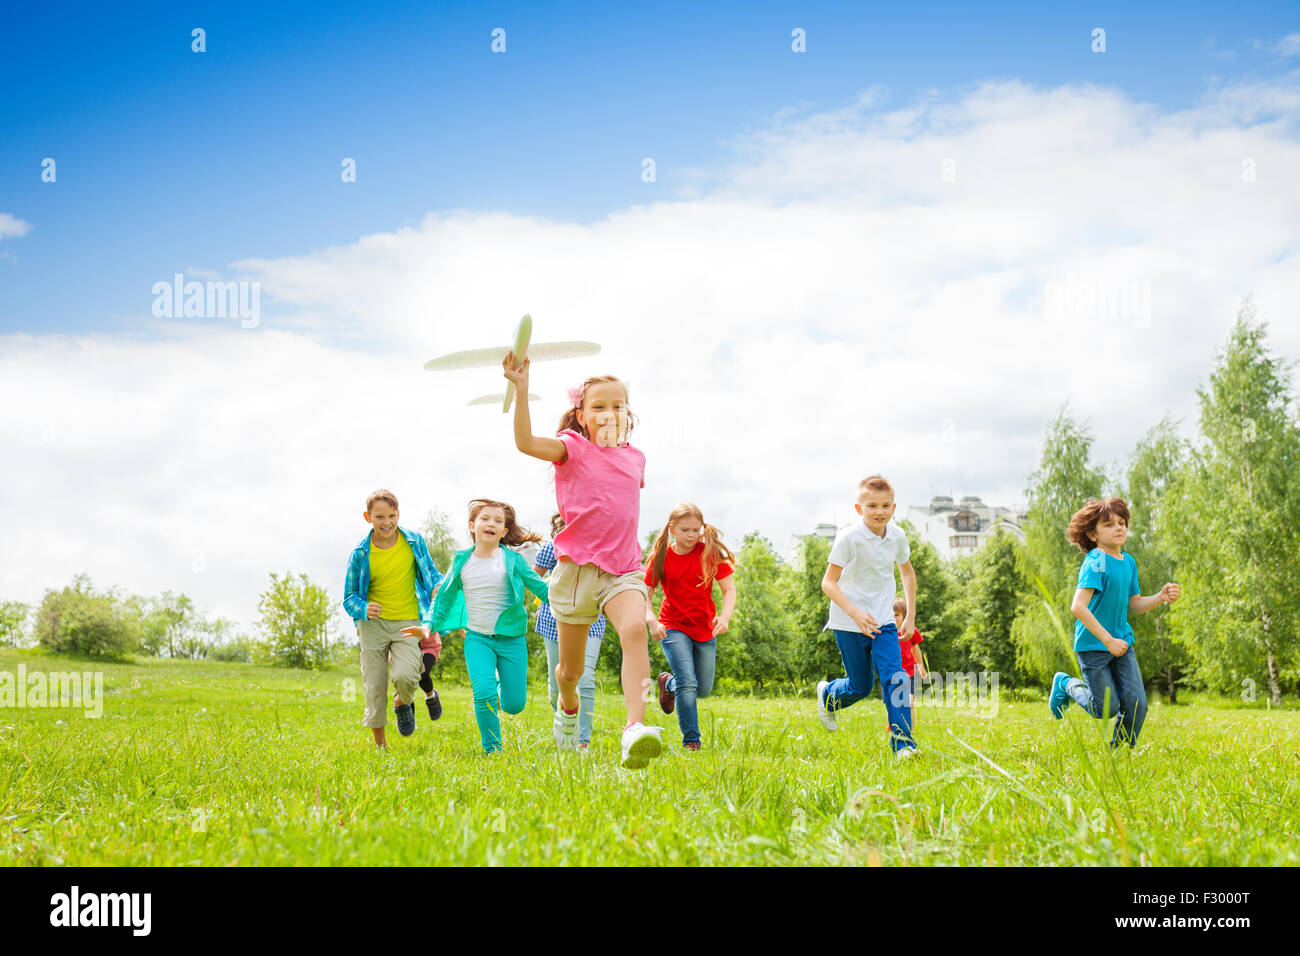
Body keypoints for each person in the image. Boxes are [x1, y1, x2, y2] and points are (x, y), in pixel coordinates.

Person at [503, 355, 663, 769]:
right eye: (598, 406)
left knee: (633, 631)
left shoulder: (636, 458)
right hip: (575, 573)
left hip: (622, 569)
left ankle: (634, 730)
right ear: (581, 415)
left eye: (618, 405)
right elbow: (524, 443)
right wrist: (521, 388)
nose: (610, 413)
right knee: (569, 673)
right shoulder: (570, 448)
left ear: (629, 412)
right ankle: (568, 709)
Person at [404, 499, 547, 754]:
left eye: (498, 521)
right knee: (483, 692)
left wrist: (572, 602)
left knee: (514, 705)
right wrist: (428, 624)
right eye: (485, 518)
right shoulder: (462, 561)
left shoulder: (513, 561)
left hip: (512, 640)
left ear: (504, 531)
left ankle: (503, 691)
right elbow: (444, 597)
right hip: (478, 639)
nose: (491, 523)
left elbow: (540, 587)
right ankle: (493, 749)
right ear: (472, 526)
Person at [1049, 496, 1180, 747]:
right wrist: (1107, 640)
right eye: (1109, 524)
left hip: (1122, 643)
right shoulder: (1096, 562)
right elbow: (1078, 607)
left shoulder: (1128, 562)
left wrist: (1161, 597)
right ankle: (1066, 684)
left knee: (1137, 704)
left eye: (1122, 522)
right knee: (1105, 708)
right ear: (1092, 534)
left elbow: (1134, 604)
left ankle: (1119, 753)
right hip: (1094, 646)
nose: (1119, 528)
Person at [816, 475, 920, 758]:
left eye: (886, 505)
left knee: (895, 677)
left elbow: (907, 573)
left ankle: (904, 746)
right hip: (848, 622)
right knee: (860, 686)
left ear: (894, 507)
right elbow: (828, 582)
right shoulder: (848, 537)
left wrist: (909, 615)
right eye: (872, 505)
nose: (880, 511)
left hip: (884, 621)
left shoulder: (897, 536)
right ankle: (828, 695)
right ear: (859, 508)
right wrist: (854, 612)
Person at [342, 489, 443, 748]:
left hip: (408, 622)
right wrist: (363, 608)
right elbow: (349, 597)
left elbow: (431, 572)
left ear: (398, 514)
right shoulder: (360, 553)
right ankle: (380, 746)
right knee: (375, 687)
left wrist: (437, 585)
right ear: (368, 517)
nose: (386, 522)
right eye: (379, 517)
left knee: (408, 676)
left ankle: (401, 702)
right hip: (372, 626)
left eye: (391, 516)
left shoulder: (414, 541)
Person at [646, 503, 737, 751]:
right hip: (672, 625)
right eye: (685, 530)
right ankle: (692, 742)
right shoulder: (662, 556)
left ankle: (669, 684)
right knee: (689, 682)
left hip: (704, 626)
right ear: (672, 528)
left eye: (696, 530)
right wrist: (652, 620)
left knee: (703, 688)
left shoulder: (708, 553)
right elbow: (646, 594)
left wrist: (725, 617)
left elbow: (728, 590)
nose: (691, 535)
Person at [535, 513, 606, 751]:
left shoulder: (602, 543)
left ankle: (582, 740)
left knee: (584, 678)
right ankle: (564, 723)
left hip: (591, 619)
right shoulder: (553, 546)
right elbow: (534, 577)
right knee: (560, 681)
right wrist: (551, 584)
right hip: (554, 619)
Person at [891, 597, 926, 734]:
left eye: (897, 615)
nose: (894, 618)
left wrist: (921, 665)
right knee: (894, 703)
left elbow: (916, 649)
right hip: (893, 673)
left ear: (904, 616)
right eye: (891, 615)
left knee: (910, 702)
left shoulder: (911, 631)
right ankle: (894, 728)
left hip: (909, 672)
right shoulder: (887, 633)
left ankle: (910, 730)